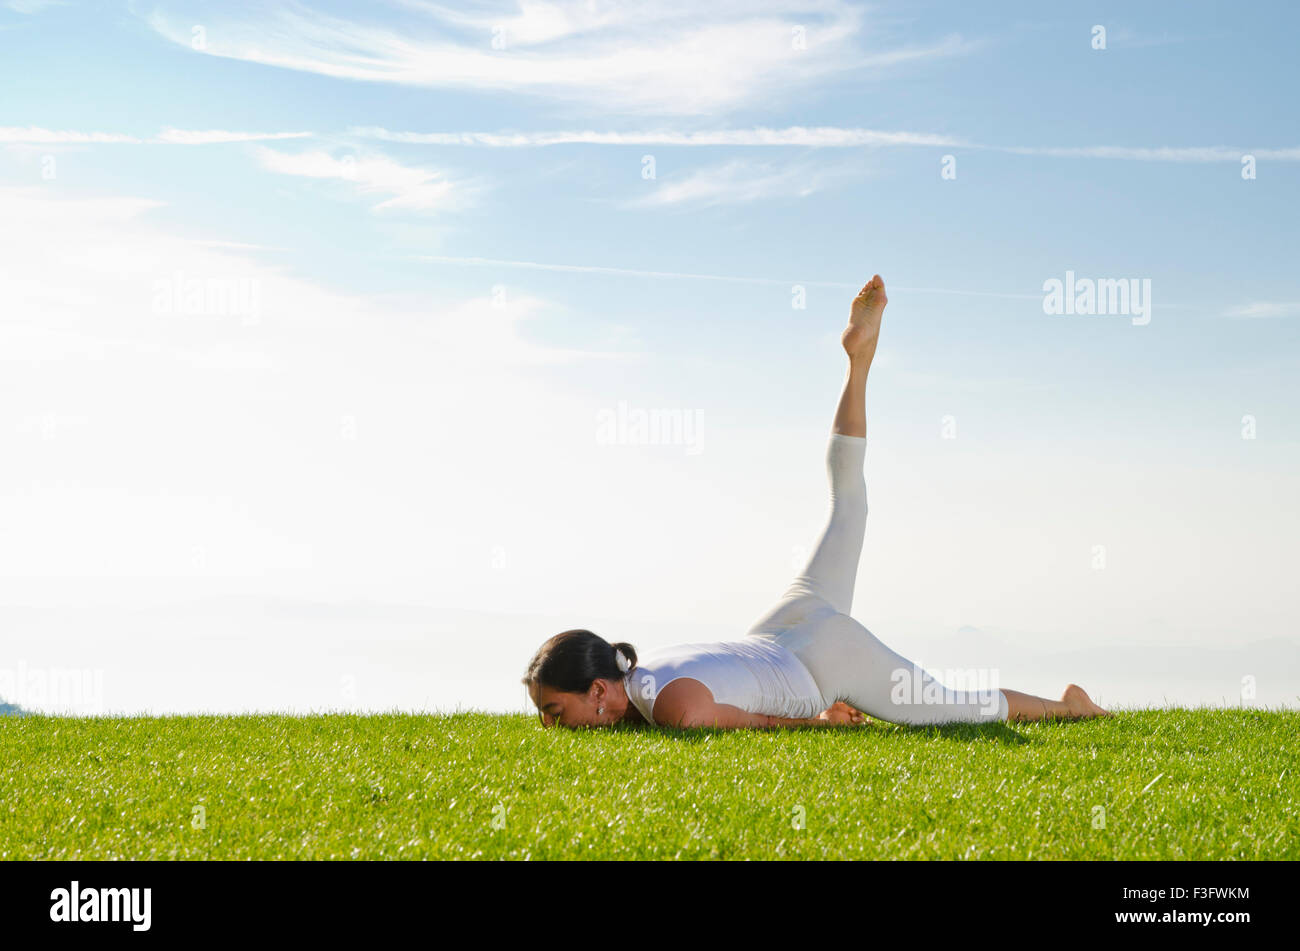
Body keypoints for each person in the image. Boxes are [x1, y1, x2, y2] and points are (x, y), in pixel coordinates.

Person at [523, 275, 1111, 730]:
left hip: (818, 661)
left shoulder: (672, 707)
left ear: (598, 691)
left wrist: (825, 717)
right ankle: (857, 366)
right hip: (783, 629)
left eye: (554, 711)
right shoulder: (648, 668)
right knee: (846, 503)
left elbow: (763, 724)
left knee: (950, 708)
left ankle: (1069, 707)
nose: (553, 727)